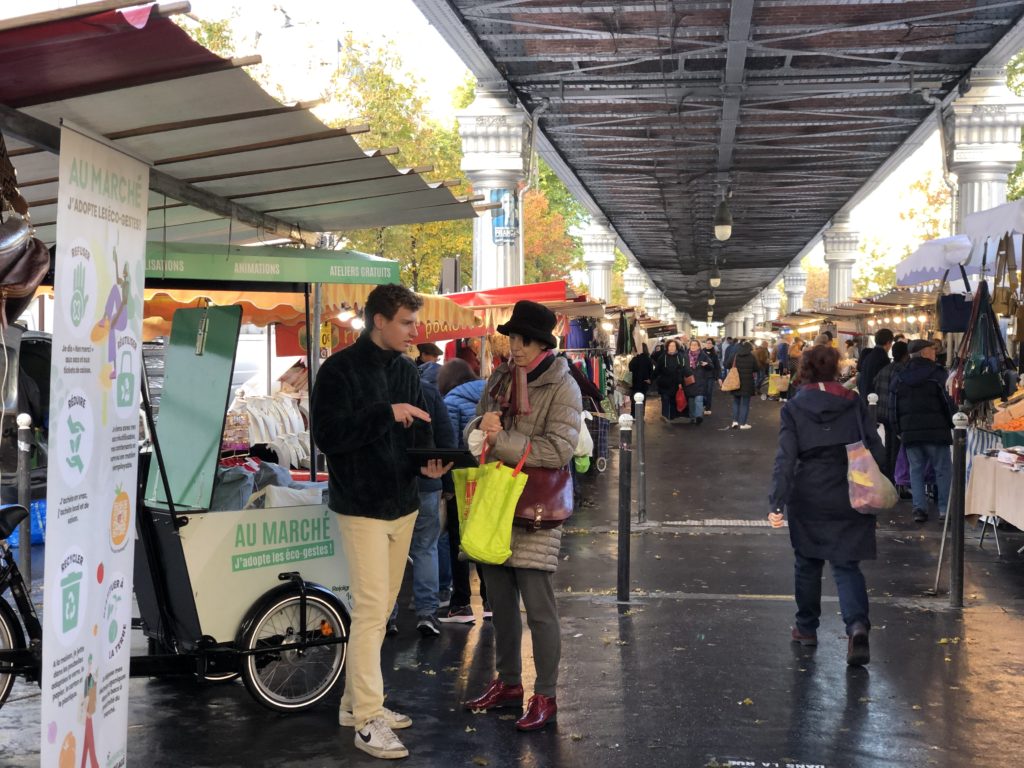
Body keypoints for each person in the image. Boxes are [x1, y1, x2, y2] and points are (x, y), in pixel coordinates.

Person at [310, 283, 451, 760]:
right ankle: (368, 717)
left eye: (415, 322)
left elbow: (417, 437)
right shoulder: (339, 370)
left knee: (382, 607)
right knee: (373, 612)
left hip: (404, 504)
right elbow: (327, 436)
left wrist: (429, 465)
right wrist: (384, 413)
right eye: (408, 323)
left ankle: (355, 705)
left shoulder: (407, 370)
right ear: (379, 321)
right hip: (362, 507)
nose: (416, 331)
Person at [463, 300, 582, 732]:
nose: (512, 345)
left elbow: (558, 451)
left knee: (539, 607)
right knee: (499, 603)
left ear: (538, 343)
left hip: (535, 508)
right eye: (510, 337)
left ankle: (545, 694)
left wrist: (504, 438)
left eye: (519, 338)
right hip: (495, 503)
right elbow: (476, 427)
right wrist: (480, 427)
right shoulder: (497, 378)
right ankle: (509, 683)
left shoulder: (562, 386)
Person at [769, 344, 883, 667]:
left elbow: (785, 458)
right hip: (851, 488)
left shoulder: (794, 407)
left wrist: (776, 500)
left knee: (807, 562)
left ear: (803, 369)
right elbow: (874, 444)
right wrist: (882, 481)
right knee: (847, 564)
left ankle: (806, 629)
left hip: (809, 492)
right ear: (836, 369)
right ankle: (857, 625)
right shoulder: (853, 402)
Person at [387, 352, 457, 638]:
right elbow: (446, 437)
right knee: (425, 548)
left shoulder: (384, 395)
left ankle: (388, 616)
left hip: (392, 483)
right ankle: (427, 613)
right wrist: (448, 483)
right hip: (429, 482)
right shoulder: (429, 391)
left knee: (390, 551)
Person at [438, 358, 490, 624]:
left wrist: (446, 486)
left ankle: (460, 605)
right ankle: (491, 600)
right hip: (490, 477)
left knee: (459, 542)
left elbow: (451, 444)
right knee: (485, 537)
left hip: (462, 479)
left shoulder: (450, 401)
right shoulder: (491, 393)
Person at [891, 339, 954, 523]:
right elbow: (948, 402)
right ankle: (944, 510)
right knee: (942, 470)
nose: (935, 353)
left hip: (910, 433)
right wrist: (953, 422)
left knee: (915, 470)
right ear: (925, 353)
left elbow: (892, 407)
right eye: (933, 350)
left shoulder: (900, 377)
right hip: (937, 433)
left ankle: (919, 509)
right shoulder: (938, 375)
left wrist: (898, 430)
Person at [872, 340, 909, 481]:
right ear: (906, 355)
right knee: (897, 448)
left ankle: (887, 474)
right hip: (894, 413)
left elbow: (874, 383)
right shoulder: (902, 370)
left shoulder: (885, 369)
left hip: (882, 412)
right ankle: (895, 477)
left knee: (889, 444)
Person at [653, 339, 691, 423]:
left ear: (676, 347)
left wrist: (680, 382)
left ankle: (673, 417)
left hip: (676, 383)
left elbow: (682, 370)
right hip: (664, 383)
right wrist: (651, 379)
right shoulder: (662, 357)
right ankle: (665, 416)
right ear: (667, 347)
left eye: (673, 346)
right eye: (670, 346)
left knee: (674, 400)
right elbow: (657, 370)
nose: (671, 347)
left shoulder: (680, 357)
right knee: (665, 399)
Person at [857, 328, 894, 403]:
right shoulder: (883, 358)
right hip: (875, 400)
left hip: (865, 397)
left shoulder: (869, 355)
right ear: (888, 342)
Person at [685, 339, 714, 424]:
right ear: (689, 346)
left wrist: (707, 364)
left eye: (695, 345)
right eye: (692, 345)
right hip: (689, 380)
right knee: (691, 400)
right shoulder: (685, 355)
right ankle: (692, 417)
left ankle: (698, 416)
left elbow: (711, 366)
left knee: (699, 399)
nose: (693, 346)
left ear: (698, 346)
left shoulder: (703, 355)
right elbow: (681, 368)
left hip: (700, 380)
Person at [729, 341, 757, 429]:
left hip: (736, 382)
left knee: (736, 402)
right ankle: (743, 423)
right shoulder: (752, 357)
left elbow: (727, 364)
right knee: (745, 403)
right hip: (747, 383)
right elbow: (756, 368)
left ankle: (734, 422)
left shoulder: (735, 356)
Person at [627, 344, 654, 416]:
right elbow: (651, 371)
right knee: (642, 399)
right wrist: (650, 380)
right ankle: (641, 415)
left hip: (635, 383)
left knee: (634, 400)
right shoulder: (648, 359)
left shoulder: (635, 359)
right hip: (644, 383)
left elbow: (630, 368)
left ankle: (633, 415)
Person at [702, 338, 721, 414]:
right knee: (703, 392)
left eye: (710, 343)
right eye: (707, 343)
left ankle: (708, 408)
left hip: (711, 375)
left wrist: (719, 377)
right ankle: (703, 404)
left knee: (709, 392)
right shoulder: (701, 352)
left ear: (713, 344)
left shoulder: (715, 354)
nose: (708, 344)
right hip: (702, 375)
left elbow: (717, 366)